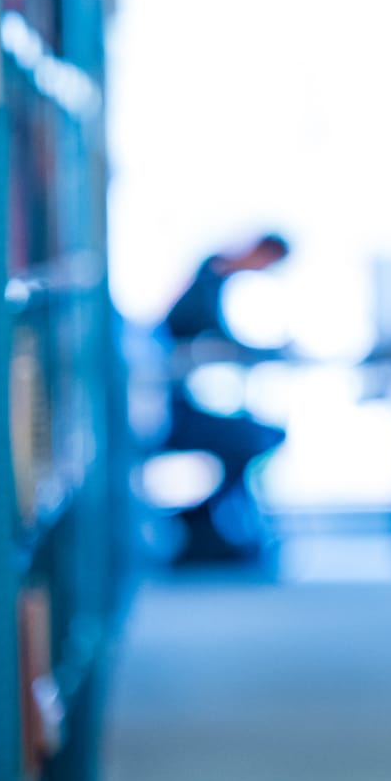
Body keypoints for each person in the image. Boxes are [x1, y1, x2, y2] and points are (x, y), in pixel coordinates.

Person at [157, 234, 292, 565]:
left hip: (181, 403)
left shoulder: (214, 279)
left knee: (255, 437)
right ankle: (199, 522)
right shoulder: (209, 277)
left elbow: (216, 338)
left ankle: (207, 522)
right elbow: (201, 333)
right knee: (251, 439)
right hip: (168, 411)